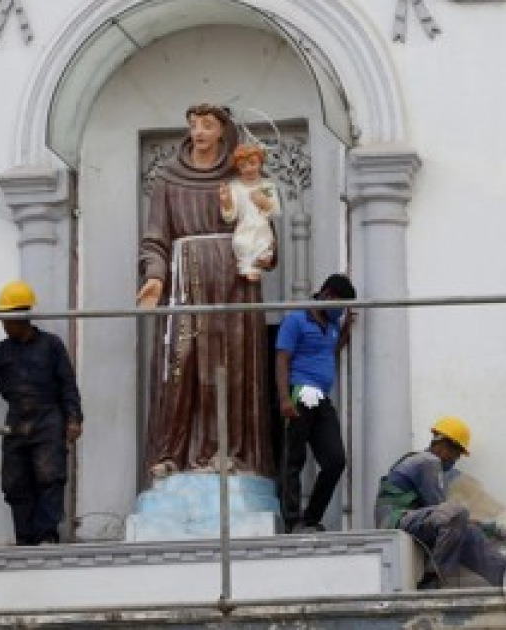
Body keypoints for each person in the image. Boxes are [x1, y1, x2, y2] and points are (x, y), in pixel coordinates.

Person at [136, 104, 275, 481]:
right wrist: (155, 276)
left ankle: (226, 450)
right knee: (178, 365)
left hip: (231, 280)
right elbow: (155, 239)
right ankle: (171, 454)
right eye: (193, 124)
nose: (198, 131)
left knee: (228, 364)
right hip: (184, 279)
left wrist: (265, 253)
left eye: (207, 125)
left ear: (222, 131)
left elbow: (258, 224)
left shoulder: (239, 176)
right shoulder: (168, 179)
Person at [0, 281, 83, 546]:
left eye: (7, 318)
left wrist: (74, 418)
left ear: (22, 316)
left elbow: (67, 384)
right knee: (15, 483)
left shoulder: (51, 346)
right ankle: (25, 539)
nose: (3, 323)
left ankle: (47, 536)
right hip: (16, 422)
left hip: (48, 418)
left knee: (50, 477)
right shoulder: (1, 352)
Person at [374, 417, 506, 588]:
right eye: (456, 453)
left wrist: (481, 529)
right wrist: (486, 527)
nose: (455, 459)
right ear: (444, 445)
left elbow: (446, 518)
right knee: (456, 514)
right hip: (394, 521)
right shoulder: (427, 462)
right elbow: (445, 511)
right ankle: (435, 578)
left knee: (468, 533)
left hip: (409, 520)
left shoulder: (429, 465)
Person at [276, 274, 356, 533]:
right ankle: (293, 521)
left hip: (321, 397)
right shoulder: (296, 320)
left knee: (335, 460)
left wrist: (344, 332)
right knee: (293, 460)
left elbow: (329, 352)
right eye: (340, 305)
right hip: (299, 393)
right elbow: (282, 360)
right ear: (328, 295)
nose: (340, 311)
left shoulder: (331, 325)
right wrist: (284, 399)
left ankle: (311, 518)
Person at [222, 143, 280, 282]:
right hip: (244, 226)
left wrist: (264, 203)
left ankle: (260, 261)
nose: (249, 169)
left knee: (263, 241)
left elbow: (275, 212)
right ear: (238, 168)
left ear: (260, 163)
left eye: (252, 163)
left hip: (261, 225)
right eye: (243, 165)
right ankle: (247, 266)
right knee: (241, 243)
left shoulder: (266, 186)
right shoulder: (235, 187)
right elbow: (230, 217)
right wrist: (227, 201)